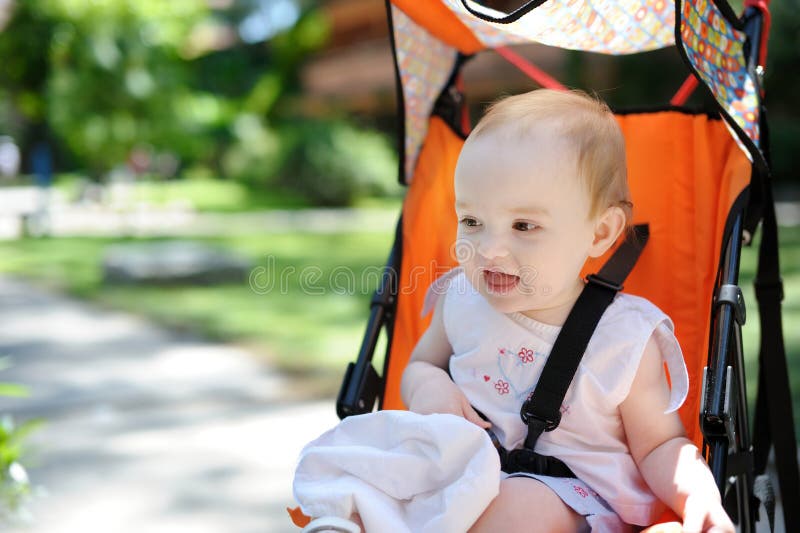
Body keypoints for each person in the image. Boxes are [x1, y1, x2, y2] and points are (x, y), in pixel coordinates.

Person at [294, 89, 734, 533]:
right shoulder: (462, 299)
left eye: (524, 226)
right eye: (471, 221)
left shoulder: (625, 338)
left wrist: (696, 493)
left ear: (600, 233)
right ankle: (352, 520)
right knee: (363, 460)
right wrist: (430, 389)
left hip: (564, 495)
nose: (489, 249)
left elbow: (660, 445)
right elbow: (423, 363)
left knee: (520, 506)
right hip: (455, 474)